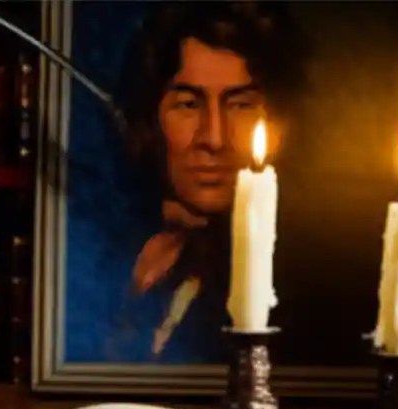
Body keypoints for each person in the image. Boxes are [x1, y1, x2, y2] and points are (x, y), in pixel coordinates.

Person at [98, 1, 307, 363]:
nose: (213, 137)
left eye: (240, 105)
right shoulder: (121, 255)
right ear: (150, 119)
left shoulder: (304, 284)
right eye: (189, 104)